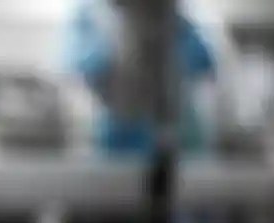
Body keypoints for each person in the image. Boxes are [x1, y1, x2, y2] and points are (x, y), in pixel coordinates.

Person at [66, 0, 216, 156]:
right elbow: (82, 65)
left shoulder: (179, 25)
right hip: (115, 128)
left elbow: (203, 62)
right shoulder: (93, 18)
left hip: (171, 131)